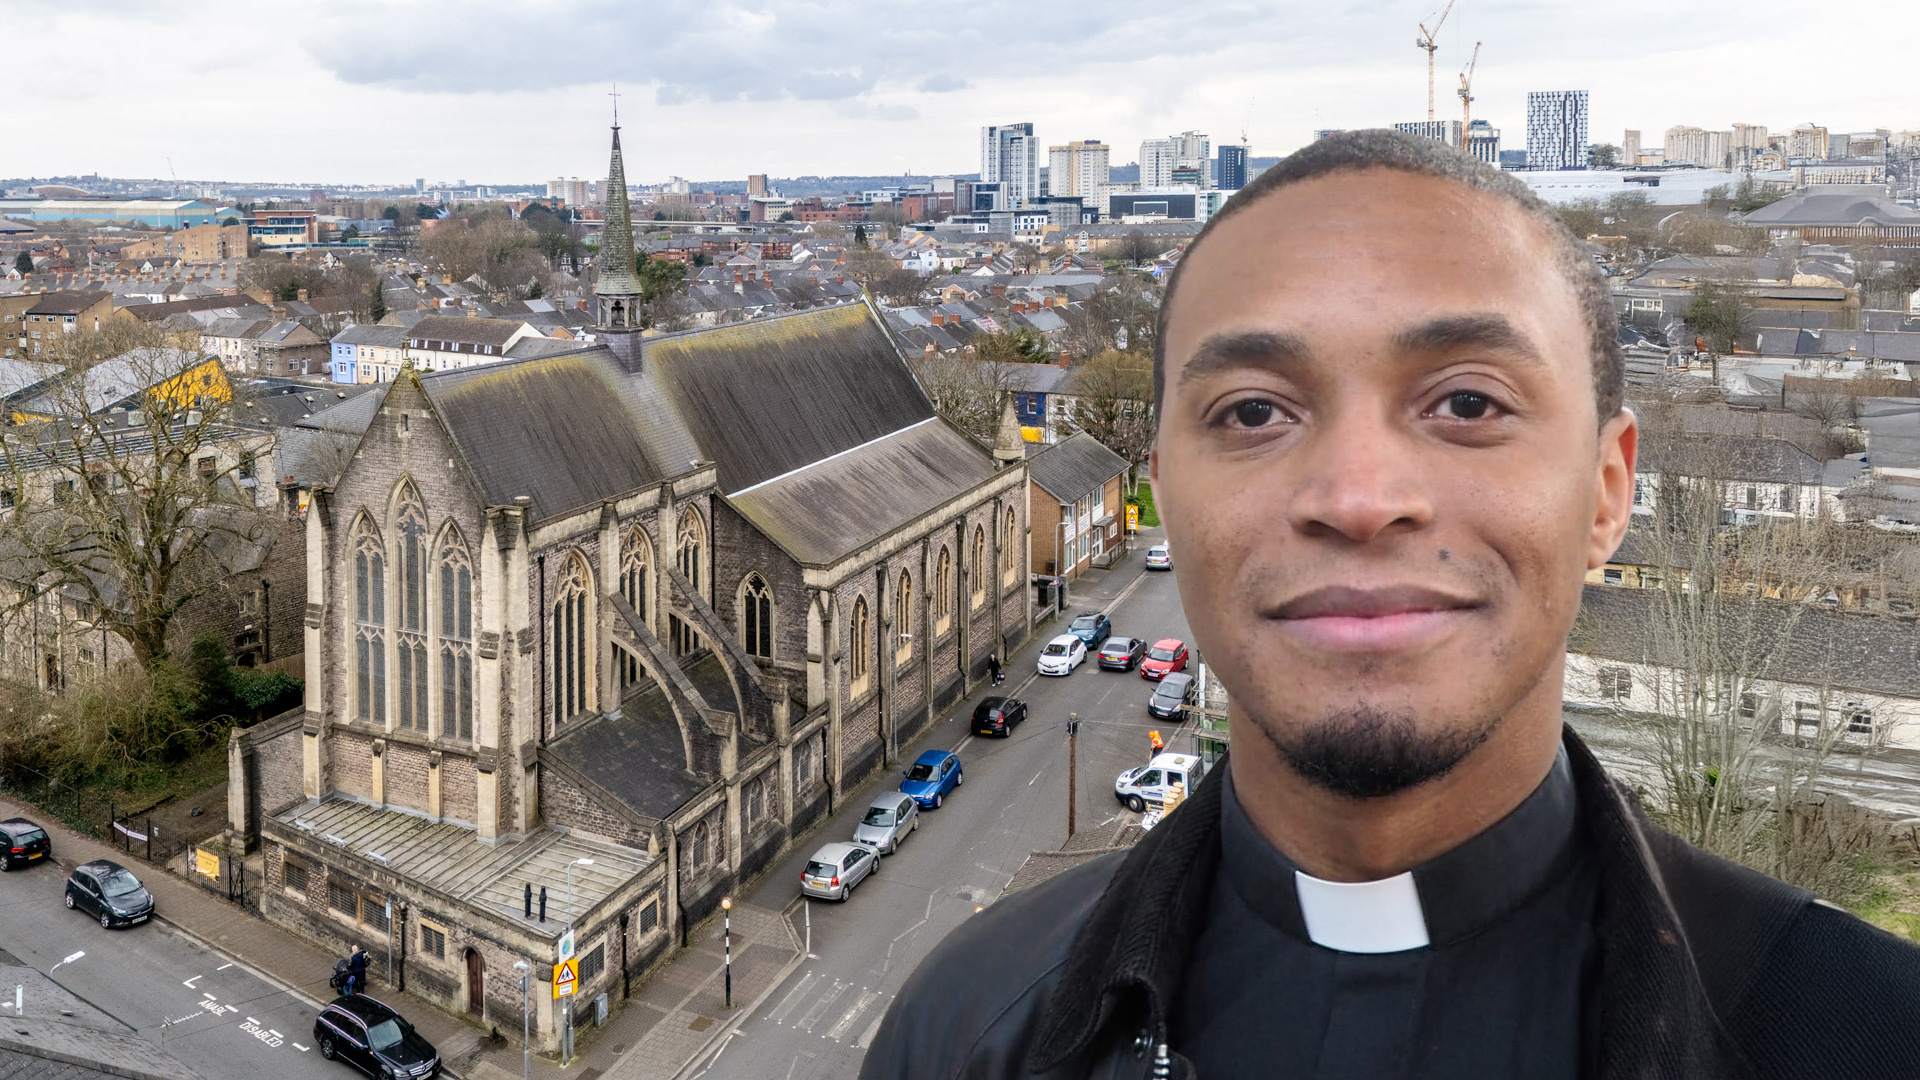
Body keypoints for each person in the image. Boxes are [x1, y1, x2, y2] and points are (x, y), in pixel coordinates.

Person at [861, 129, 1920, 1079]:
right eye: (1253, 411)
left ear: (1607, 494)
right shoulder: (963, 1030)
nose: (1359, 499)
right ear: (1164, 502)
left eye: (1468, 403)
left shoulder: (1862, 1033)